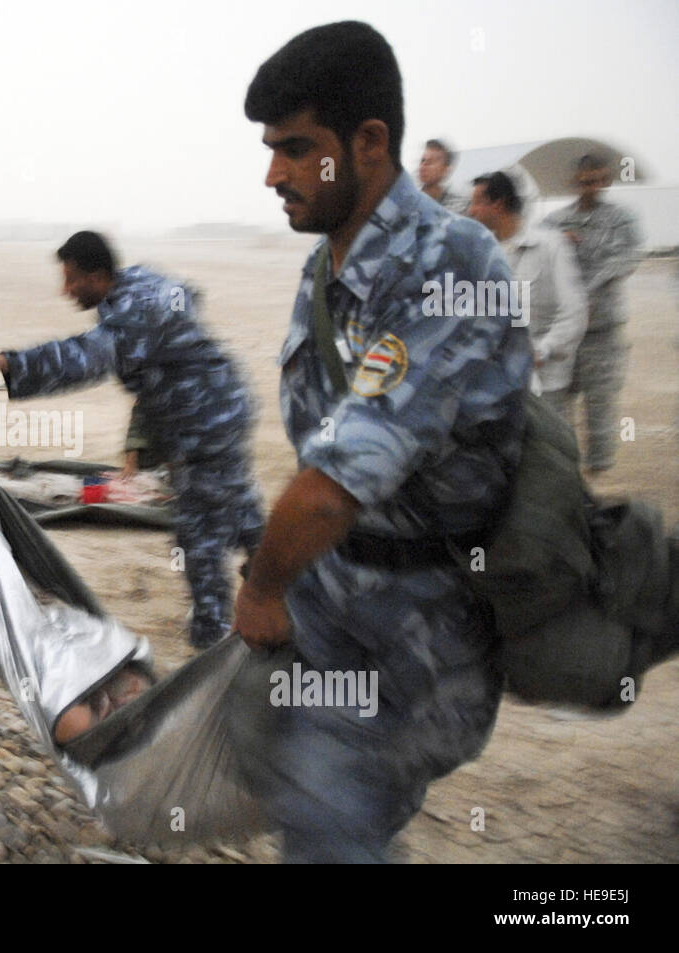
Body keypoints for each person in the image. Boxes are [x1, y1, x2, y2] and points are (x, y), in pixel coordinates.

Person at [238, 20, 532, 862]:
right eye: (270, 149)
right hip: (333, 598)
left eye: (295, 148)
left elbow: (333, 481)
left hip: (424, 627)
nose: (273, 174)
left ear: (368, 142)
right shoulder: (328, 265)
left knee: (335, 809)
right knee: (317, 795)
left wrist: (262, 587)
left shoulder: (452, 265)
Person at [0, 231, 265, 650]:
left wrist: (9, 363)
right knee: (242, 511)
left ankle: (212, 640)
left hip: (204, 426)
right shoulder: (138, 284)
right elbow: (185, 301)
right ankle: (291, 589)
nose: (65, 291)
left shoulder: (134, 311)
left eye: (71, 280)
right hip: (218, 411)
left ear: (98, 275)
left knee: (199, 532)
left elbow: (88, 358)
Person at [542, 154, 642, 472]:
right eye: (586, 181)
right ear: (575, 182)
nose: (592, 187)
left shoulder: (622, 219)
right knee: (554, 407)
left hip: (602, 332)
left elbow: (625, 260)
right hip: (563, 333)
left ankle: (598, 472)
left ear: (608, 180)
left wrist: (585, 294)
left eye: (598, 180)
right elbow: (531, 251)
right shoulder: (555, 222)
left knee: (601, 407)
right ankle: (563, 473)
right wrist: (556, 242)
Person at [468, 170, 587, 416]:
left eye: (477, 202)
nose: (471, 211)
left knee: (549, 451)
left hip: (545, 383)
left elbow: (575, 311)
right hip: (500, 381)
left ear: (498, 204)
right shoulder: (484, 254)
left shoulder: (551, 246)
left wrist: (543, 349)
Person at [417, 138, 470, 214]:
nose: (423, 165)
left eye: (430, 162)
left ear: (445, 169)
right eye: (422, 161)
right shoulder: (409, 202)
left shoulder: (460, 205)